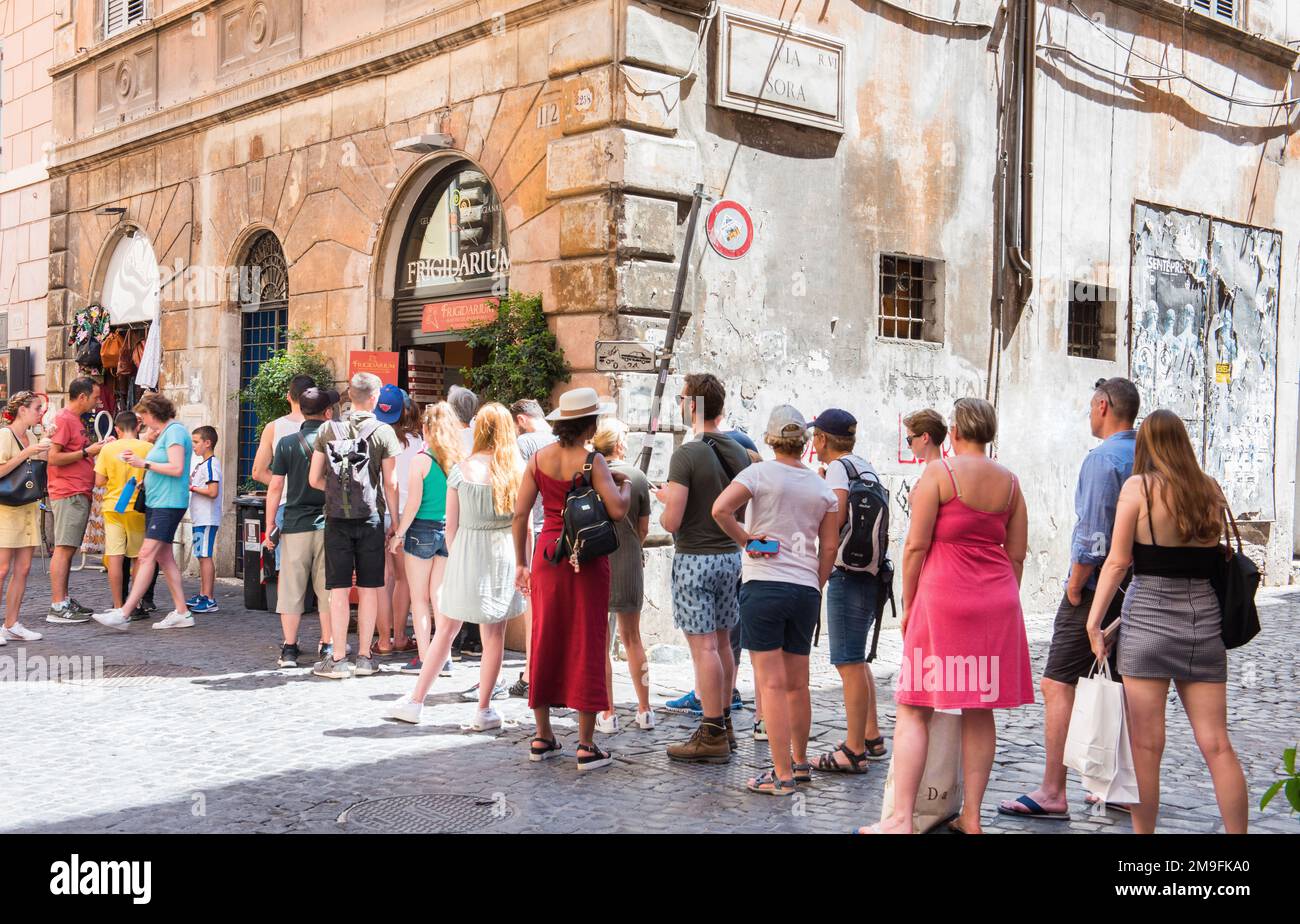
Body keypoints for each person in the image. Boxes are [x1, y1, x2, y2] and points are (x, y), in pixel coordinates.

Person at [861, 398, 1033, 834]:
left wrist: (909, 600)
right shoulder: (1011, 484)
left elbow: (916, 546)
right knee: (980, 709)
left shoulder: (940, 473)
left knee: (915, 705)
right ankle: (971, 816)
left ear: (954, 432)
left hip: (942, 600)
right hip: (996, 602)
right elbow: (1015, 556)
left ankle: (901, 818)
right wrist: (997, 599)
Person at [1085, 409, 1248, 835]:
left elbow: (1119, 562)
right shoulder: (1209, 490)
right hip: (1203, 625)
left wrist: (1094, 621)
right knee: (1217, 744)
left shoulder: (1138, 488)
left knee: (1146, 746)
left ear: (1147, 445)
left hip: (1148, 626)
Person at [1001, 377, 1138, 821]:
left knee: (1058, 682)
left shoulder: (1103, 459)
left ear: (1102, 406)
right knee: (1118, 682)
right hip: (1138, 588)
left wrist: (1075, 585)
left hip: (1098, 587)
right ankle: (1116, 784)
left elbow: (1094, 536)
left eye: (1090, 406)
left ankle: (1053, 790)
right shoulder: (1150, 454)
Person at [712, 405, 839, 794]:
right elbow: (829, 546)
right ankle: (800, 764)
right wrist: (814, 582)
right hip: (804, 589)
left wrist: (747, 541)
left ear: (770, 439)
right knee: (799, 684)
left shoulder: (757, 473)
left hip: (764, 585)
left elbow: (719, 509)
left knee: (771, 684)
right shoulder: (822, 489)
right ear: (805, 442)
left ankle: (781, 775)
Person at [511, 387, 630, 770]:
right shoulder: (592, 462)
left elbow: (519, 515)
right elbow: (615, 510)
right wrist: (624, 487)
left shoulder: (538, 459)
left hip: (547, 555)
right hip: (585, 560)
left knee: (545, 639)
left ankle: (543, 737)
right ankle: (586, 745)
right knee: (587, 641)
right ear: (590, 425)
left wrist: (521, 563)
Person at [392, 404, 524, 727]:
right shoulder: (517, 472)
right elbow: (523, 525)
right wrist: (523, 564)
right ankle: (483, 710)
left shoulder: (461, 471)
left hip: (467, 554)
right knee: (494, 637)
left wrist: (461, 555)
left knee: (446, 631)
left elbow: (450, 528)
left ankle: (416, 700)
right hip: (503, 555)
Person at [656, 373, 751, 762]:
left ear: (692, 405)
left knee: (704, 648)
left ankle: (710, 730)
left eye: (681, 399)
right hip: (730, 556)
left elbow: (672, 522)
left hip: (695, 558)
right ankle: (724, 721)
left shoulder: (687, 454)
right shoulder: (739, 451)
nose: (679, 404)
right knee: (725, 643)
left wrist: (664, 501)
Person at [808, 408, 888, 771]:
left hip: (845, 572)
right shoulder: (863, 465)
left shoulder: (840, 469)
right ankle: (871, 736)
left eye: (815, 437)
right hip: (870, 573)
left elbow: (835, 518)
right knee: (858, 660)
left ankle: (853, 750)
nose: (812, 443)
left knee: (848, 663)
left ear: (823, 438)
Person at [308, 372, 402, 679]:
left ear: (349, 395)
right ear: (374, 398)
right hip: (371, 518)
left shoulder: (327, 429)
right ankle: (364, 656)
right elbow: (390, 482)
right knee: (369, 588)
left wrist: (335, 491)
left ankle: (337, 658)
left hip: (336, 518)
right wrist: (395, 521)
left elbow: (314, 479)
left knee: (338, 590)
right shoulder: (383, 432)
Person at [91, 393, 197, 630]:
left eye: (144, 416)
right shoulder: (167, 434)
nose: (143, 421)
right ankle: (182, 611)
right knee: (164, 557)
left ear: (152, 413)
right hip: (160, 501)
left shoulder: (175, 432)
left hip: (167, 504)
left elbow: (177, 468)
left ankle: (125, 612)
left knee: (146, 555)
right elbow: (167, 467)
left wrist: (144, 464)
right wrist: (146, 480)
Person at [386, 402, 462, 701]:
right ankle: (445, 657)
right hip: (448, 530)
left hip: (421, 531)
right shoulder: (457, 460)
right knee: (439, 596)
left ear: (427, 429)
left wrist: (398, 534)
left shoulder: (421, 460)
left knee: (419, 600)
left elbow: (414, 504)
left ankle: (425, 657)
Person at [264, 387, 338, 668]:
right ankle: (328, 643)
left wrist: (271, 524)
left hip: (294, 524)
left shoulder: (286, 443)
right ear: (327, 412)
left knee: (291, 589)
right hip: (329, 524)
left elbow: (275, 487)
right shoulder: (335, 443)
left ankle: (290, 648)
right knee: (327, 589)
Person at [592, 419, 654, 733]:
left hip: (597, 561)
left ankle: (608, 712)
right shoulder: (638, 477)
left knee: (602, 642)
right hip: (629, 559)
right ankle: (645, 710)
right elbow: (643, 530)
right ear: (618, 444)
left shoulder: (589, 477)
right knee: (633, 639)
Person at [507, 398, 556, 699]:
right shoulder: (562, 441)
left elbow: (519, 501)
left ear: (522, 420)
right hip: (558, 532)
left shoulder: (524, 444)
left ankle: (531, 672)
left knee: (532, 609)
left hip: (536, 530)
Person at [46, 377, 106, 623]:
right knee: (63, 548)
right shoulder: (63, 419)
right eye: (95, 397)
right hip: (67, 492)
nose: (98, 401)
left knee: (68, 549)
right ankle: (58, 605)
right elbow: (53, 457)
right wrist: (86, 452)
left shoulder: (74, 421)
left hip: (77, 491)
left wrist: (94, 449)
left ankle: (64, 599)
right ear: (82, 397)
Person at [0, 391, 50, 643]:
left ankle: (11, 623)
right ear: (22, 410)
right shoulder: (5, 435)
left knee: (24, 568)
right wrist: (26, 452)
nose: (40, 412)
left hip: (27, 507)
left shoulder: (31, 435)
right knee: (2, 569)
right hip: (6, 510)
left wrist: (42, 450)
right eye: (37, 408)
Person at [252, 373, 316, 570]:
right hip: (321, 506)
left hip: (286, 506)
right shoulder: (327, 427)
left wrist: (287, 481)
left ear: (289, 396)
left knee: (289, 575)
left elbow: (258, 471)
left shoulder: (274, 427)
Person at [376, 386, 421, 655]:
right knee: (403, 579)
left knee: (383, 579)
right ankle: (401, 637)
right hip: (406, 514)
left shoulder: (375, 439)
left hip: (378, 513)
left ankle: (383, 640)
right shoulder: (418, 443)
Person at [94, 412, 152, 613]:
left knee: (115, 556)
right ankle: (134, 603)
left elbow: (99, 481)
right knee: (138, 557)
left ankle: (118, 604)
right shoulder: (148, 448)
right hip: (137, 507)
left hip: (113, 507)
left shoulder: (108, 449)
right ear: (137, 427)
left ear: (117, 429)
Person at [447, 383, 482, 657]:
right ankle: (473, 638)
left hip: (456, 512)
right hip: (477, 512)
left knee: (456, 578)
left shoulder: (449, 438)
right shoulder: (480, 436)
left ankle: (454, 640)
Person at [186, 425, 223, 614]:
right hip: (200, 517)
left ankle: (209, 598)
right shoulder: (203, 464)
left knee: (205, 556)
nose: (193, 446)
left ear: (207, 443)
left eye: (196, 442)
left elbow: (212, 491)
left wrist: (192, 488)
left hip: (207, 518)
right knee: (201, 556)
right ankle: (203, 594)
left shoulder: (211, 464)